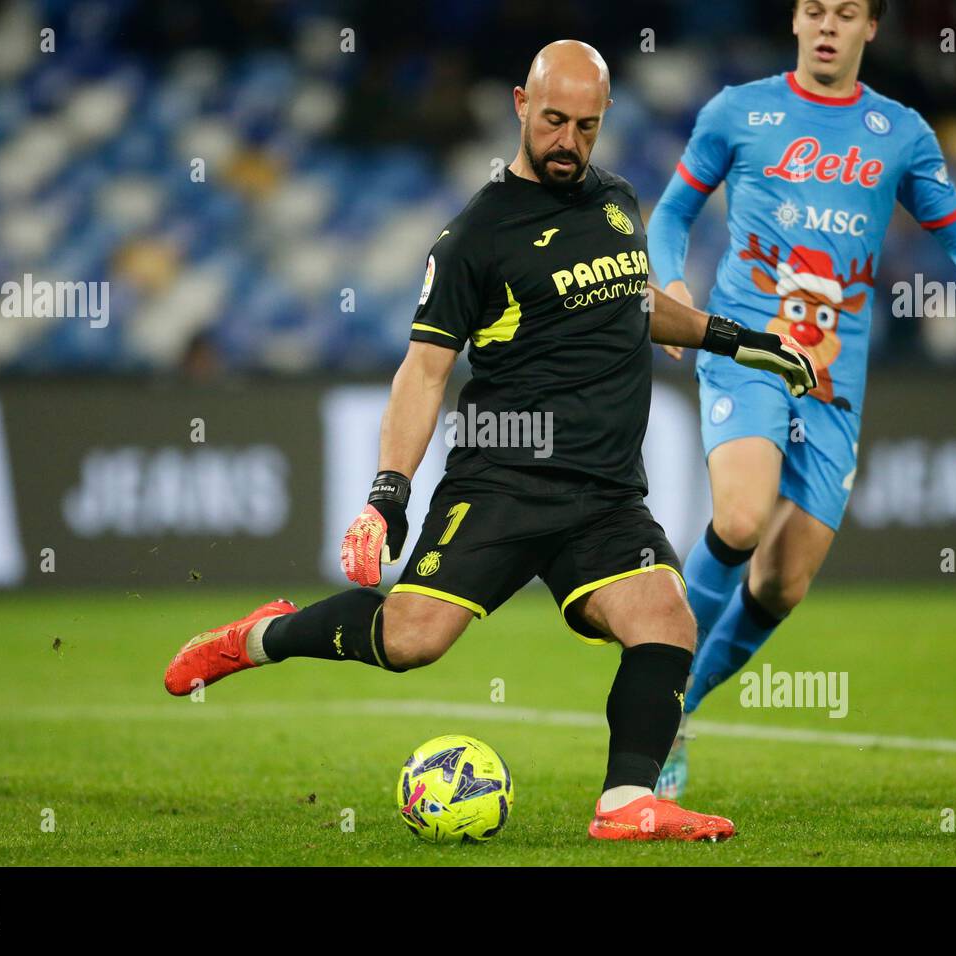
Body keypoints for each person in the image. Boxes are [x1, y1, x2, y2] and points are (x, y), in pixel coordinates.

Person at [164, 40, 814, 841]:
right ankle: (259, 636)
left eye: (585, 124)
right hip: (503, 483)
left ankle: (625, 804)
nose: (567, 141)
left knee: (667, 619)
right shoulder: (475, 235)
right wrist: (386, 497)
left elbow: (631, 301)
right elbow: (423, 372)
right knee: (410, 641)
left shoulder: (614, 201)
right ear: (519, 105)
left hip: (604, 493)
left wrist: (733, 338)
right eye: (552, 121)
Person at [647, 0, 956, 799]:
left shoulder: (900, 133)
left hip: (836, 380)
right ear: (796, 21)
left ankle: (685, 697)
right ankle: (658, 698)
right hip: (747, 351)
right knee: (738, 518)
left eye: (846, 12)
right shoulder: (738, 112)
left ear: (871, 27)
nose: (828, 24)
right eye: (815, 10)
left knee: (781, 584)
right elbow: (672, 211)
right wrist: (671, 283)